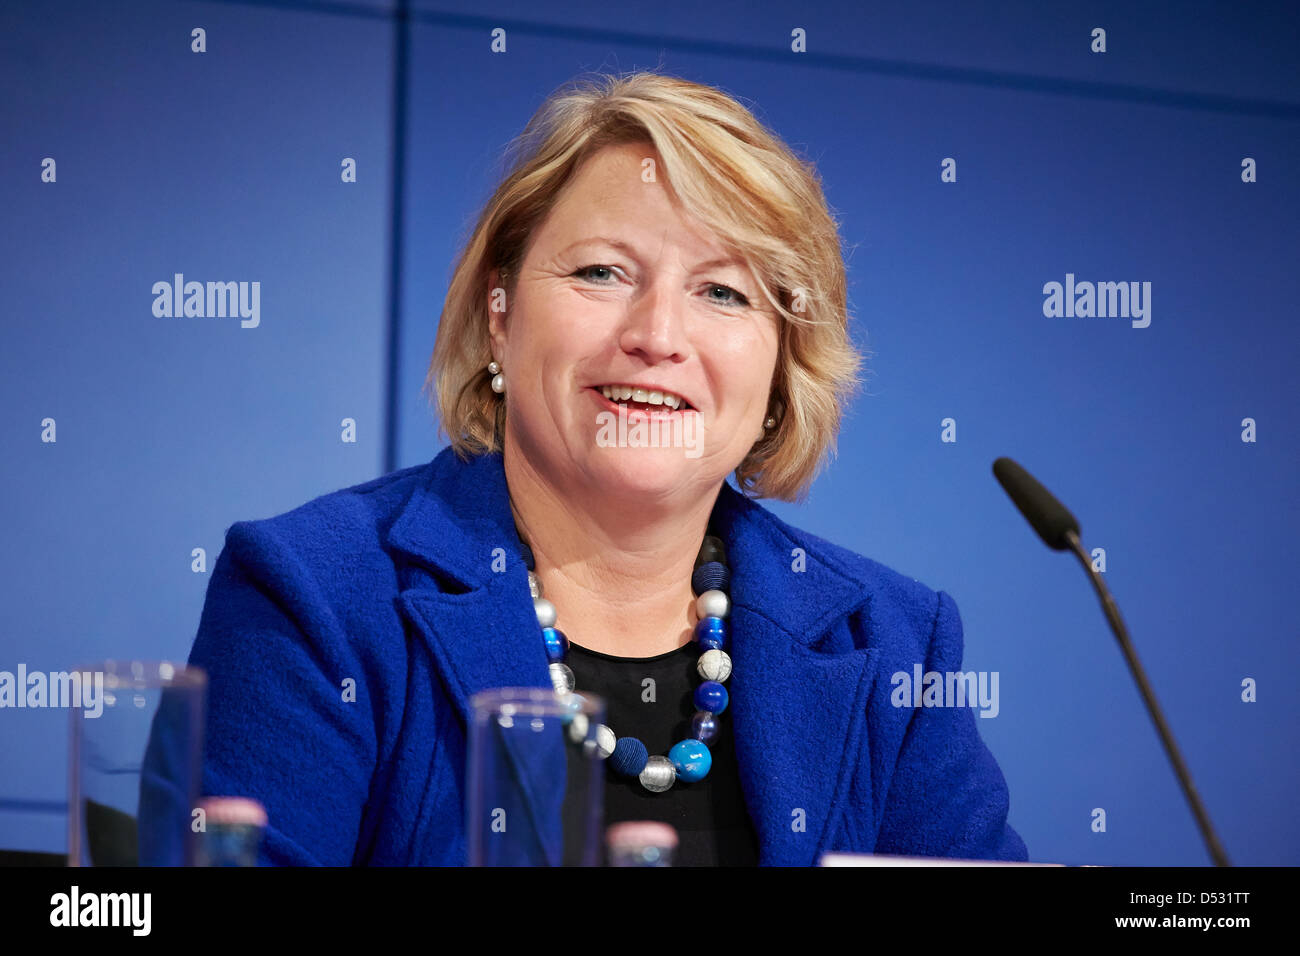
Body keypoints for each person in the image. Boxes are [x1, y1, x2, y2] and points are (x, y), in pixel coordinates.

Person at [181, 70, 1027, 866]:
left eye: (723, 292)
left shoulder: (894, 648)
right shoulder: (317, 594)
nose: (658, 335)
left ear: (781, 371)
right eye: (602, 272)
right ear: (500, 316)